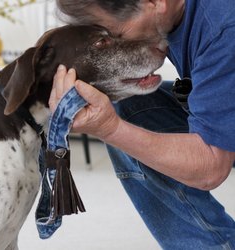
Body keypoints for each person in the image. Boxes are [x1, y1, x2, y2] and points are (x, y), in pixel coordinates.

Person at [49, 0, 235, 248]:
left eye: (118, 35)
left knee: (123, 123)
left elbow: (211, 167)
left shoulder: (223, 27)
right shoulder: (174, 17)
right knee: (131, 106)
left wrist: (110, 129)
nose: (119, 46)